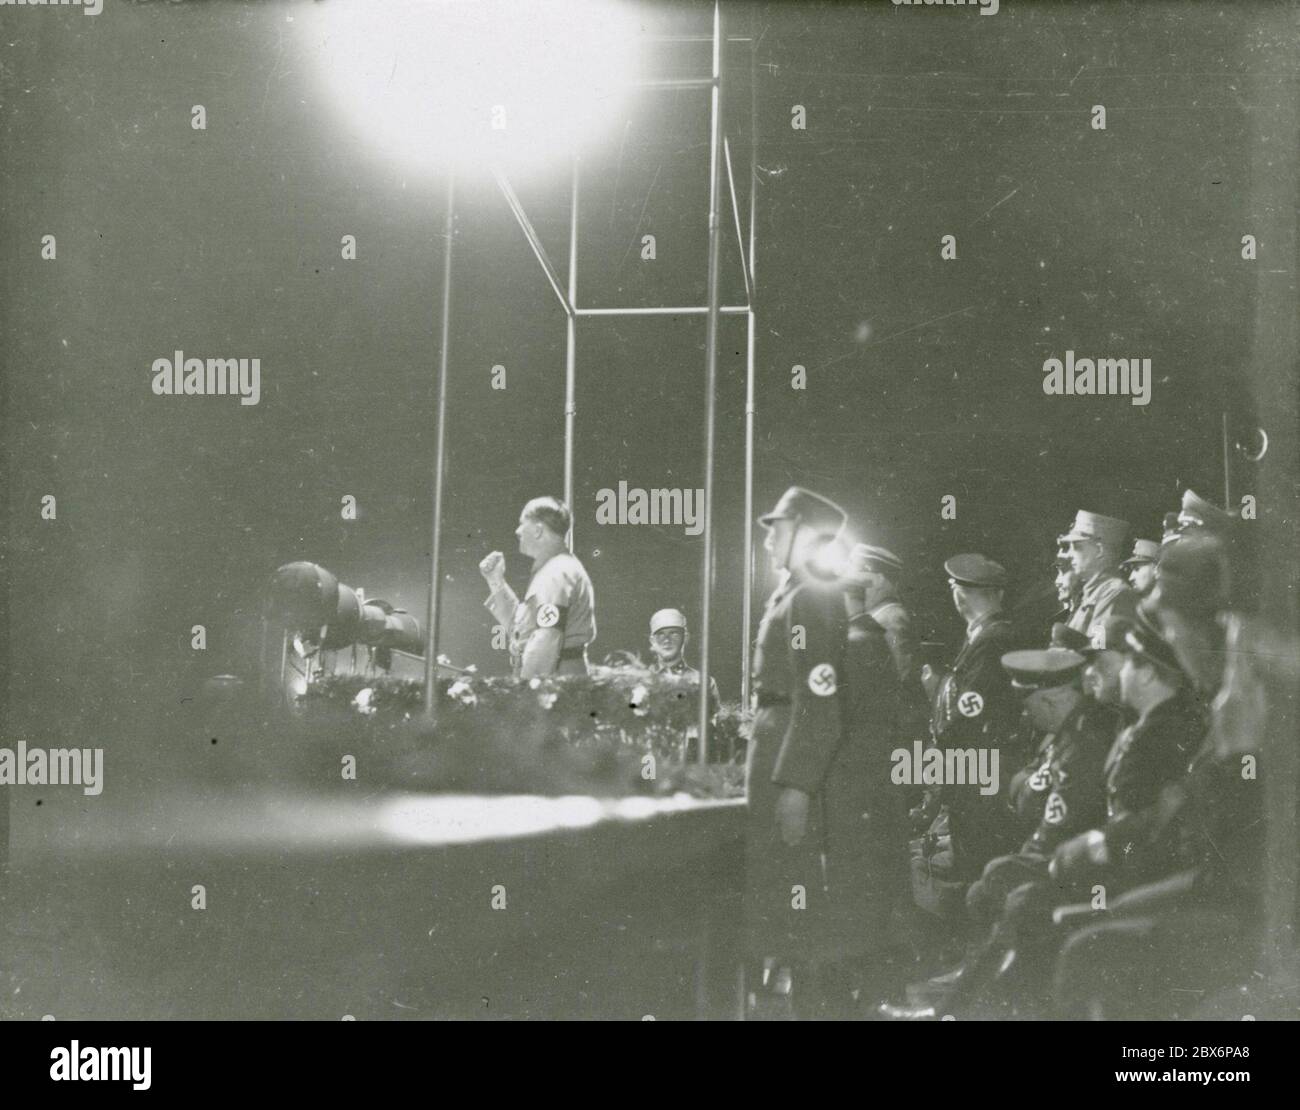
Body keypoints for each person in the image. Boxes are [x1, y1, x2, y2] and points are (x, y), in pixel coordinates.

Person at [743, 486, 880, 1018]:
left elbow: (818, 700)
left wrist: (797, 785)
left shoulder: (812, 598)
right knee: (781, 896)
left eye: (778, 528)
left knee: (797, 895)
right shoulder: (793, 594)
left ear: (804, 533)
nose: (770, 539)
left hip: (789, 758)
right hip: (776, 746)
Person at [479, 496, 596, 679]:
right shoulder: (552, 569)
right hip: (557, 677)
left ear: (538, 530)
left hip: (554, 682)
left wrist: (525, 691)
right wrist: (496, 581)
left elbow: (546, 639)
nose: (517, 531)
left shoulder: (556, 572)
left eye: (522, 524)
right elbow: (522, 628)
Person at [1060, 510, 1139, 640]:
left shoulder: (1115, 593)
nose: (1069, 554)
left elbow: (1099, 650)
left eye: (1077, 547)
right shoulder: (1093, 592)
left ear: (1099, 550)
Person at [647, 607, 720, 712]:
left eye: (674, 633)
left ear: (685, 638)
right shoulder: (640, 681)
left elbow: (715, 721)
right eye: (660, 634)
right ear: (652, 641)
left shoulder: (705, 683)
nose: (667, 640)